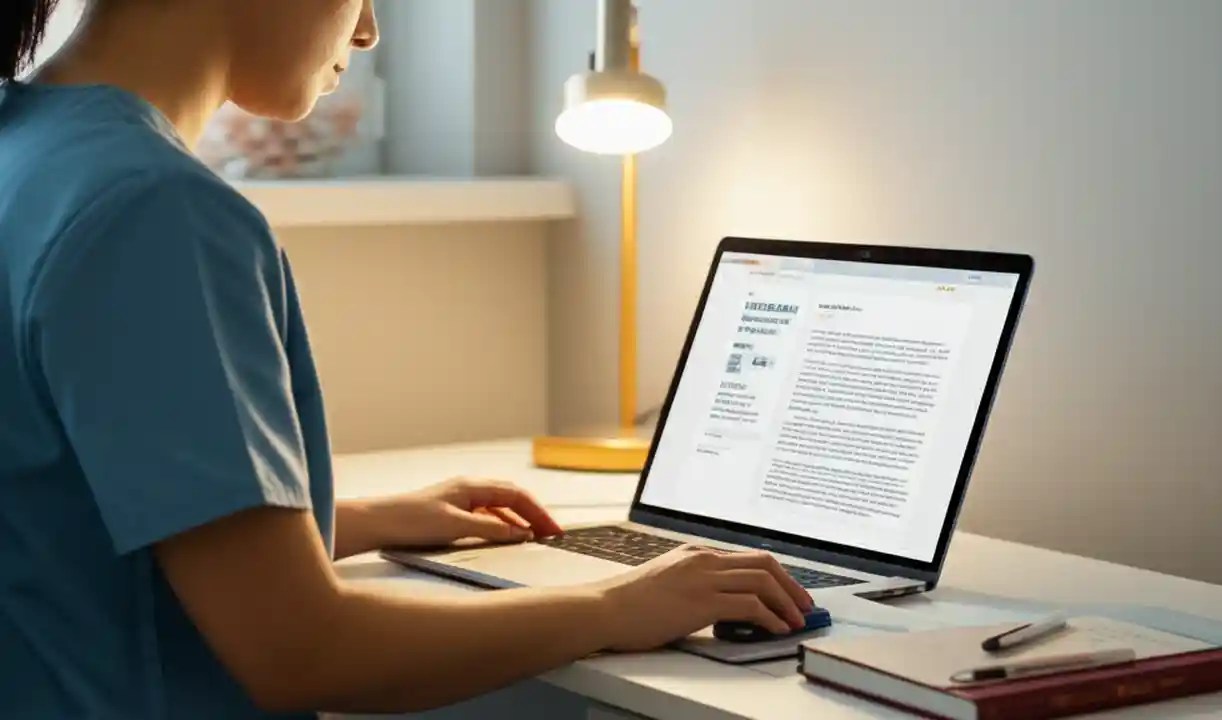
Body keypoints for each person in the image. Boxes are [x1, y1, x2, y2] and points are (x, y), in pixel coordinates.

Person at [0, 1, 813, 718]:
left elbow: (73, 514)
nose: (367, 28)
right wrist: (618, 603)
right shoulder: (156, 212)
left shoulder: (29, 148)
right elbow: (302, 652)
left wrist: (353, 520)